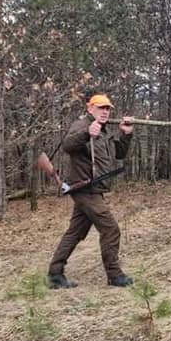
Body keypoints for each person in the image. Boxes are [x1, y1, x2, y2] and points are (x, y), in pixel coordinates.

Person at [47, 92, 135, 289]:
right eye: (101, 108)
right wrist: (88, 132)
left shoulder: (103, 131)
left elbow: (119, 153)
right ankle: (114, 275)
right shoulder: (82, 125)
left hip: (96, 188)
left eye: (107, 109)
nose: (105, 112)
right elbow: (68, 145)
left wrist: (126, 134)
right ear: (90, 108)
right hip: (84, 188)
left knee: (75, 232)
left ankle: (55, 273)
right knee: (111, 229)